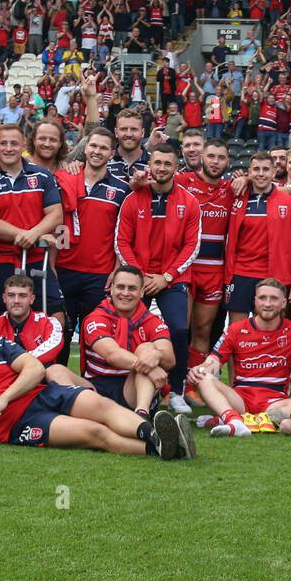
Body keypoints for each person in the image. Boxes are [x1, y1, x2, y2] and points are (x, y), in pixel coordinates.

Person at [0, 306, 194, 460]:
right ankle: (164, 448)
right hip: (18, 425)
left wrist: (5, 396)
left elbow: (34, 369)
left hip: (42, 394)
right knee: (94, 432)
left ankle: (152, 433)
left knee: (99, 404)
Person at [114, 142, 200, 414]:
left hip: (171, 279)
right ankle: (120, 387)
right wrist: (139, 277)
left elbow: (192, 245)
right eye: (157, 163)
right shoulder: (133, 198)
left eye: (167, 164)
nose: (161, 168)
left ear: (176, 167)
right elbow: (121, 241)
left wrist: (166, 276)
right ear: (149, 165)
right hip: (137, 277)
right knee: (123, 329)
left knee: (177, 329)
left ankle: (175, 392)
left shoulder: (189, 201)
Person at [189, 278, 291, 437]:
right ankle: (235, 422)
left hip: (275, 404)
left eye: (274, 299)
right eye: (262, 298)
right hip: (240, 400)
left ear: (283, 303)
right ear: (255, 301)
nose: (267, 303)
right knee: (203, 378)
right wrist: (201, 369)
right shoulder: (236, 329)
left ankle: (239, 419)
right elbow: (214, 361)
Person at [0, 121, 65, 322]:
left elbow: (56, 215)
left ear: (24, 145)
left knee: (55, 314)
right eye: (3, 143)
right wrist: (33, 234)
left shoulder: (42, 175)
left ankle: (49, 354)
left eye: (14, 143)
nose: (8, 148)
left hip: (36, 258)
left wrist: (32, 235)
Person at [52, 127, 130, 363]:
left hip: (99, 274)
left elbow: (123, 234)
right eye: (93, 146)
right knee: (60, 334)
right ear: (85, 148)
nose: (97, 151)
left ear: (112, 153)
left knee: (95, 335)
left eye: (103, 148)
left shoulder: (121, 189)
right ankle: (59, 389)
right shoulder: (62, 179)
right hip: (64, 269)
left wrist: (117, 269)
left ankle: (94, 388)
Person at [175, 138, 234, 391]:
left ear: (228, 161)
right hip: (185, 268)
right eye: (211, 156)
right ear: (202, 157)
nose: (215, 162)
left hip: (214, 271)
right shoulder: (182, 182)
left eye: (221, 158)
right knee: (180, 328)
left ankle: (193, 388)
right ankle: (173, 385)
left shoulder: (233, 188)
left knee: (202, 330)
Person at [224, 151, 291, 324]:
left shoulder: (289, 202)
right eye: (256, 169)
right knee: (237, 328)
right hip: (241, 273)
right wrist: (243, 180)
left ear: (273, 172)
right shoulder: (236, 195)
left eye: (265, 169)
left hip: (276, 275)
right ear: (249, 172)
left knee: (273, 330)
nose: (261, 173)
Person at [79, 265, 174, 417]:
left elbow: (169, 359)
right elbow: (113, 355)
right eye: (120, 287)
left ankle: (142, 414)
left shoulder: (152, 321)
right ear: (111, 289)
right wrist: (151, 367)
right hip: (96, 389)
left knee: (148, 348)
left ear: (142, 292)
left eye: (132, 288)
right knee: (55, 371)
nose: (125, 293)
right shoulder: (95, 318)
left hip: (132, 389)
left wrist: (157, 356)